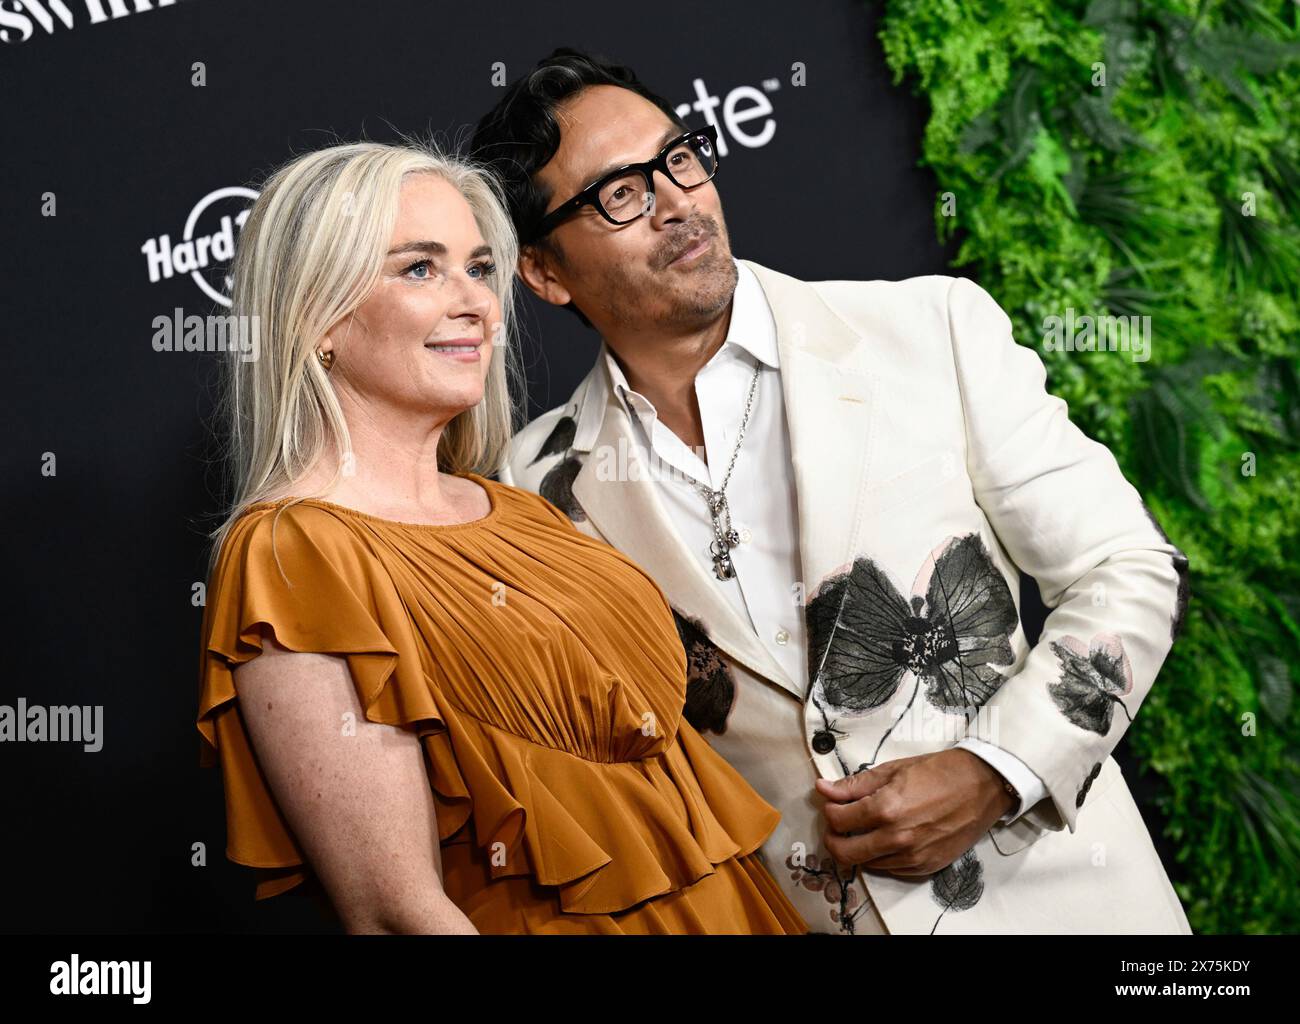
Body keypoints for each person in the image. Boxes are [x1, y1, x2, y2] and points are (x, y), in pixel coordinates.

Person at [474, 48, 1194, 934]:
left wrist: (996, 769)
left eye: (680, 158)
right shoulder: (533, 485)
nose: (678, 203)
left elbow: (1129, 568)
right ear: (545, 273)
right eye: (621, 195)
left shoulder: (929, 331)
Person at [194, 138, 809, 935]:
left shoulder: (520, 505)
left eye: (480, 269)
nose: (477, 304)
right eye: (420, 268)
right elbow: (394, 911)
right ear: (317, 316)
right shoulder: (294, 554)